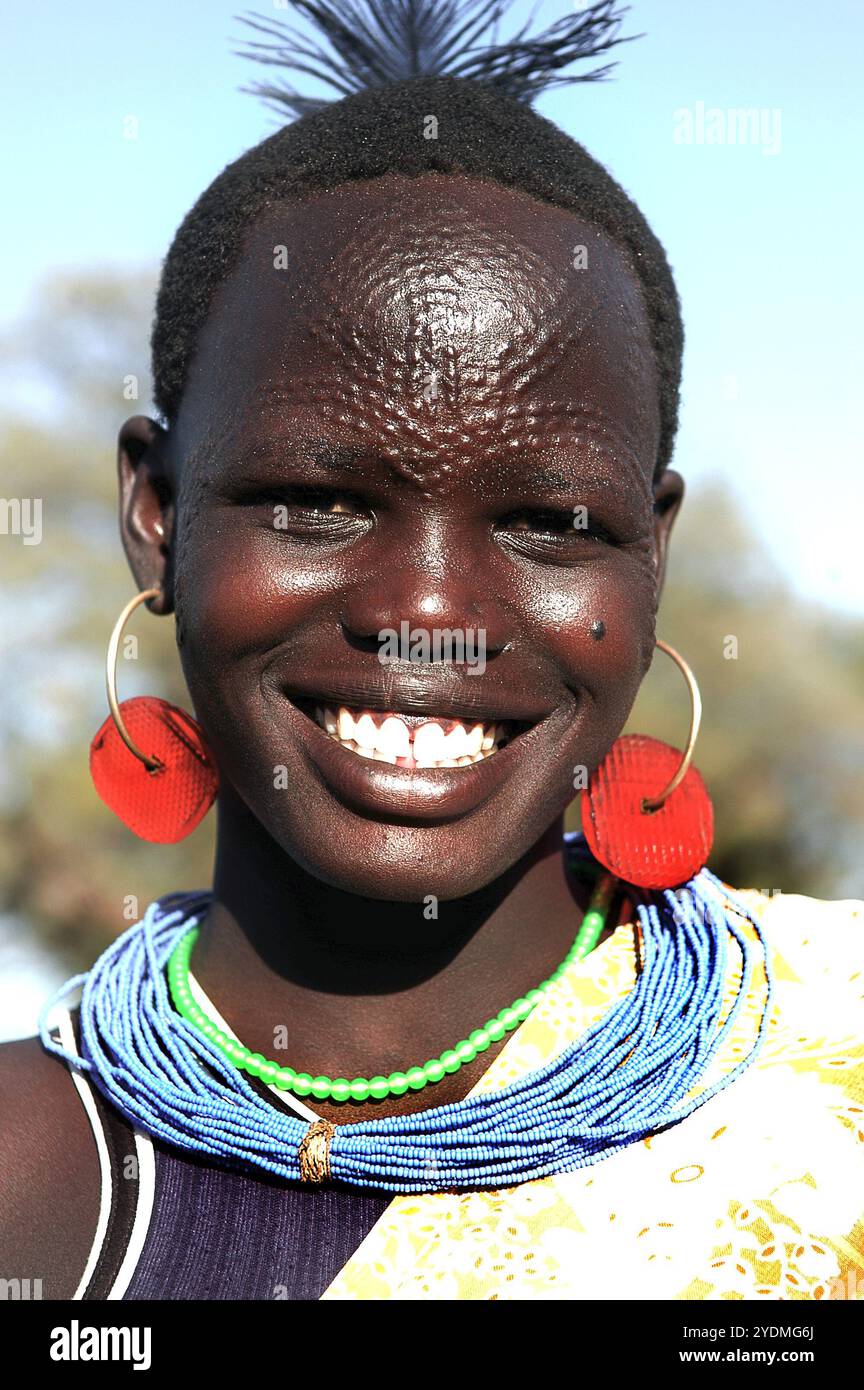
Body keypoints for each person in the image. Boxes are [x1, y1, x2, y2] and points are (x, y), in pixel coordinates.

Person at [1, 1, 861, 1302]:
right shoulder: (26, 1188)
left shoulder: (830, 1070)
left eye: (546, 522)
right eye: (319, 500)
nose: (429, 605)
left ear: (654, 556)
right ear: (158, 516)